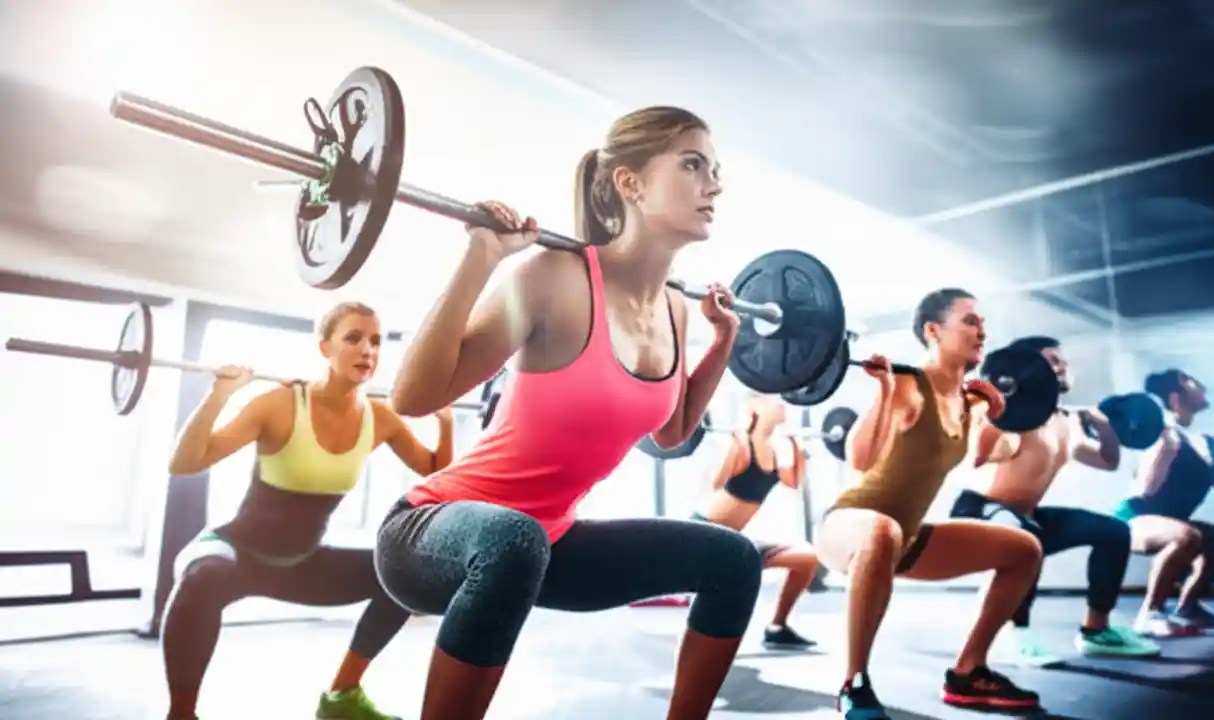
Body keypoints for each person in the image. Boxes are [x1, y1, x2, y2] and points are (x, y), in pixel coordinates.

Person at [375, 106, 765, 720]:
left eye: (715, 170)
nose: (713, 184)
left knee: (733, 560)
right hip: (427, 534)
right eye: (693, 165)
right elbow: (413, 398)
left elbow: (670, 432)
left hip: (544, 543)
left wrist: (722, 343)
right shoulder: (553, 277)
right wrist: (482, 256)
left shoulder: (677, 311)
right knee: (514, 539)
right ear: (629, 184)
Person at [162, 301, 454, 720]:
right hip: (235, 553)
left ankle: (342, 696)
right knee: (202, 580)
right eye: (353, 338)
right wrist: (218, 395)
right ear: (324, 348)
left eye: (375, 341)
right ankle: (181, 714)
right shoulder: (280, 404)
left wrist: (444, 423)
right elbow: (185, 463)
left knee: (402, 577)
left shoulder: (380, 416)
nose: (367, 350)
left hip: (300, 564)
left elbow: (434, 471)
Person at [815, 288, 1043, 719]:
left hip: (907, 537)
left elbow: (995, 452)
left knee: (1023, 549)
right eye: (970, 322)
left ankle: (968, 672)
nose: (982, 331)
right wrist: (883, 393)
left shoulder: (968, 401)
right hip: (848, 527)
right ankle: (854, 681)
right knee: (883, 530)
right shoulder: (907, 384)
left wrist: (999, 414)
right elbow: (860, 459)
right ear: (933, 331)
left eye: (982, 323)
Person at [952, 335, 1160, 664]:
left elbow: (1108, 461)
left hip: (1027, 515)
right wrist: (997, 410)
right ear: (1029, 370)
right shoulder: (1007, 412)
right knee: (1026, 537)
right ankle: (1015, 631)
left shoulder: (1067, 422)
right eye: (1052, 360)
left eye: (1062, 360)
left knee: (1114, 532)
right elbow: (978, 457)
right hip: (979, 509)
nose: (1062, 366)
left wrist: (1104, 427)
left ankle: (1097, 631)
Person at [1115, 368, 1214, 635]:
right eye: (1192, 382)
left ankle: (1188, 606)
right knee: (1187, 536)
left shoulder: (1196, 441)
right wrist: (1164, 450)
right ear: (1175, 398)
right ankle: (1148, 614)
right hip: (1131, 520)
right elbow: (1145, 489)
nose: (1202, 387)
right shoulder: (1160, 434)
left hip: (1174, 522)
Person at [693, 393, 820, 649]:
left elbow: (793, 482)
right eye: (773, 401)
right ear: (754, 410)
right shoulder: (741, 446)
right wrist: (734, 445)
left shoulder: (773, 450)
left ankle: (777, 627)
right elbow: (715, 484)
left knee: (809, 558)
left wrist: (797, 449)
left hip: (733, 545)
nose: (781, 405)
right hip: (703, 537)